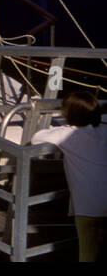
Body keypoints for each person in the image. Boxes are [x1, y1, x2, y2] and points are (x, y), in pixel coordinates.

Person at [32, 90, 107, 261]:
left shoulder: (65, 134)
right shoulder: (103, 130)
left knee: (87, 251)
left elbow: (37, 138)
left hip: (88, 206)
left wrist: (60, 128)